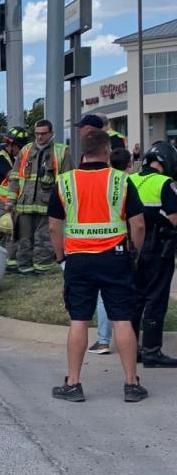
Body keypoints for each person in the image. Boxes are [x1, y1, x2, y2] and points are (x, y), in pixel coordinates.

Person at [49, 129, 148, 403]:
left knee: (79, 319)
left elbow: (54, 227)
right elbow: (138, 224)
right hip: (115, 258)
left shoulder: (64, 182)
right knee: (122, 319)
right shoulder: (121, 180)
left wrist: (61, 258)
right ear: (106, 151)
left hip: (78, 260)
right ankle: (131, 384)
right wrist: (133, 251)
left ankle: (73, 383)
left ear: (82, 152)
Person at [130, 141, 177, 367]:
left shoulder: (130, 180)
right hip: (158, 247)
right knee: (155, 299)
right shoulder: (164, 183)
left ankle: (131, 349)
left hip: (132, 247)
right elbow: (174, 219)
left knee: (135, 299)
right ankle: (152, 352)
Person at [9, 119, 74, 275]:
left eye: (43, 134)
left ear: (52, 133)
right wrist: (10, 200)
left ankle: (41, 269)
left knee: (44, 239)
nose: (39, 137)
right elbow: (15, 177)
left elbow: (68, 180)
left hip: (48, 205)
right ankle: (24, 268)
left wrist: (64, 205)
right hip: (25, 204)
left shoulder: (62, 151)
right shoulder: (25, 150)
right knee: (23, 239)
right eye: (37, 134)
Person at [88, 147, 135, 355]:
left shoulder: (104, 184)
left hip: (95, 248)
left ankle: (103, 340)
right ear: (130, 165)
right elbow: (138, 223)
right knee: (124, 302)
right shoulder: (127, 183)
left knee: (102, 298)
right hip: (123, 247)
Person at [0, 127, 30, 266]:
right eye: (20, 147)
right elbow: (11, 175)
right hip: (0, 201)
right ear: (11, 145)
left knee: (3, 233)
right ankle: (8, 262)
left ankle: (1, 262)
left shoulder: (11, 157)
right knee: (10, 229)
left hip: (8, 201)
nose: (21, 150)